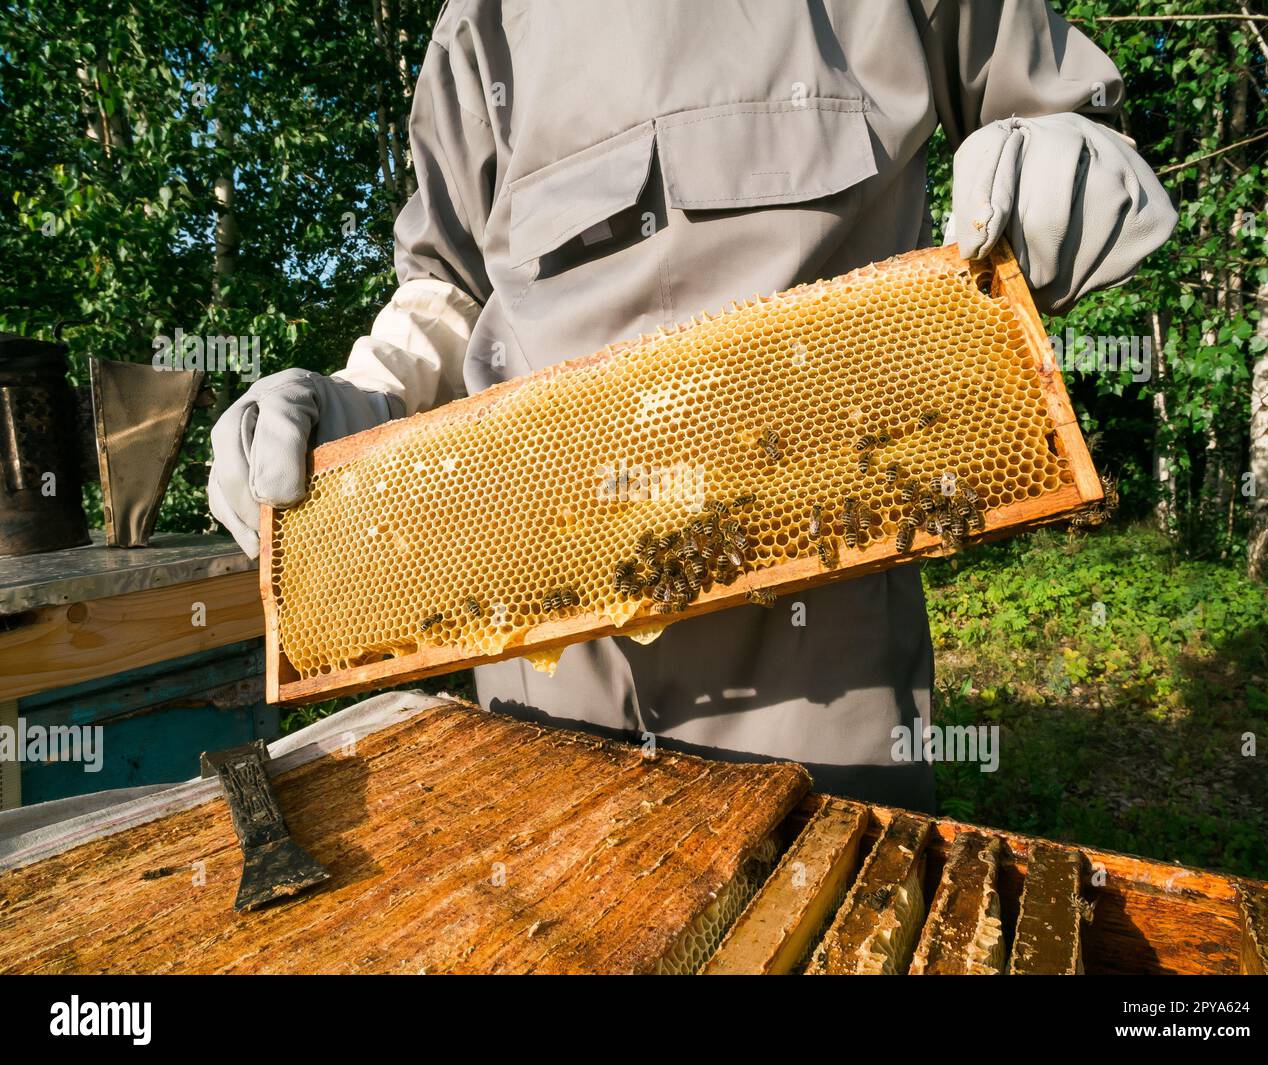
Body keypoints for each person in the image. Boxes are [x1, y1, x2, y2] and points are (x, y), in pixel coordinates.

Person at [209, 0, 1176, 809]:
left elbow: (1071, 116)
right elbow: (448, 294)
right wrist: (355, 400)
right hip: (538, 650)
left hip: (821, 646)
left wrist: (1060, 160)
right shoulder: (483, 23)